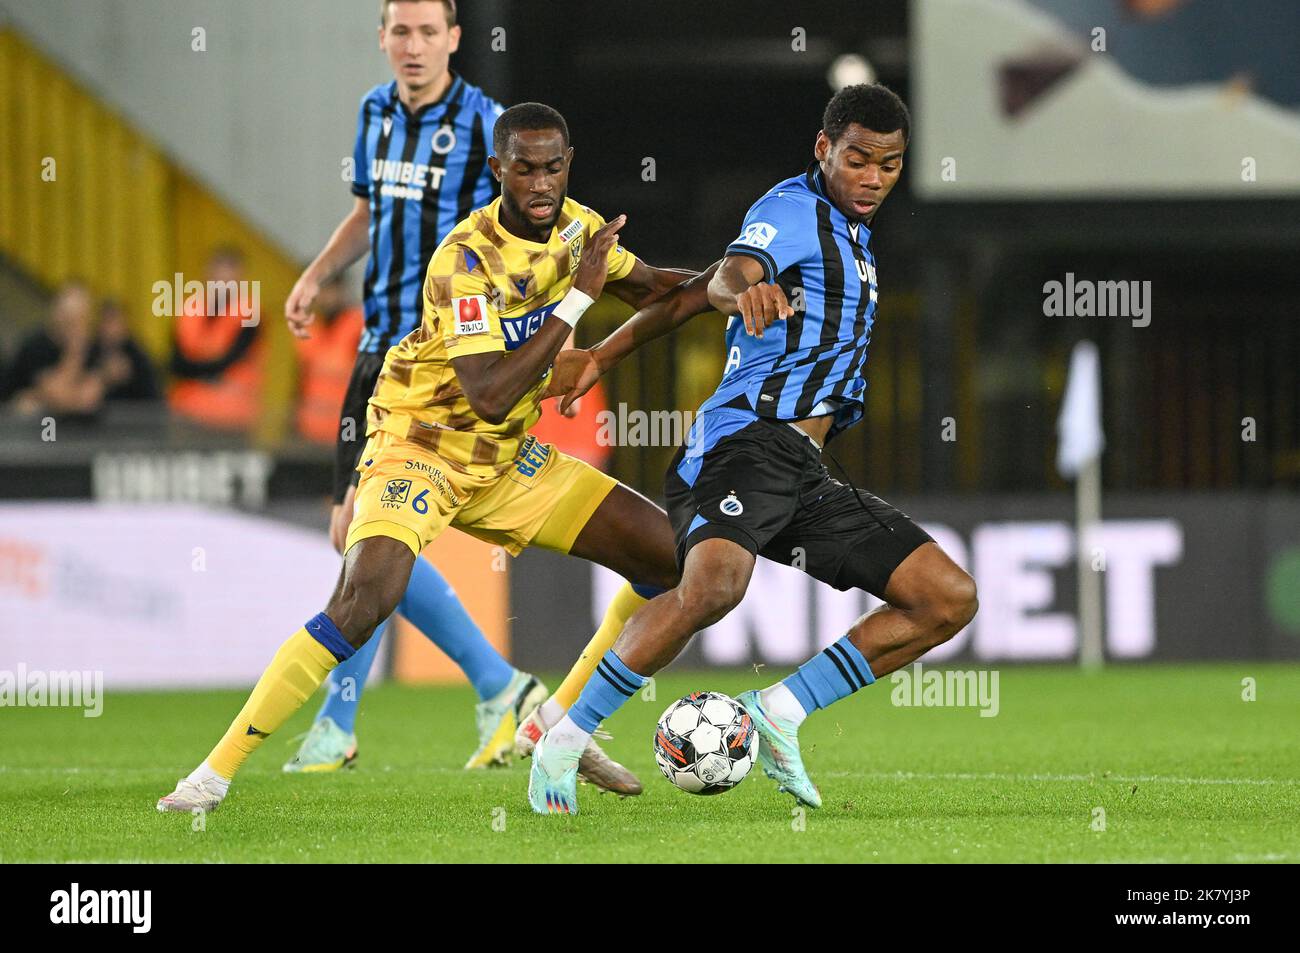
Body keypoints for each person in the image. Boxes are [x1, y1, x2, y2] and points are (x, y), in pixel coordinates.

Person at [156, 101, 705, 814]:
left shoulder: (579, 227)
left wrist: (738, 278)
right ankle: (211, 777)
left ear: (569, 163)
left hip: (506, 459)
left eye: (555, 167)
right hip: (420, 445)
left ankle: (551, 722)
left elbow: (659, 287)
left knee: (672, 561)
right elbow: (486, 389)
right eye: (526, 168)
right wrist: (575, 303)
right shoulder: (463, 258)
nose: (542, 183)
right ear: (497, 169)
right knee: (364, 599)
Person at [529, 84, 979, 815]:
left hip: (804, 470)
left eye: (890, 165)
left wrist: (605, 356)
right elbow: (729, 278)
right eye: (858, 159)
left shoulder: (854, 240)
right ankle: (562, 735)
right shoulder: (791, 210)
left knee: (946, 597)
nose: (873, 178)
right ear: (823, 148)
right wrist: (746, 293)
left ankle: (782, 708)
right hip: (743, 442)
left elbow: (687, 290)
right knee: (712, 587)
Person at [272, 0, 634, 787]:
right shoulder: (375, 112)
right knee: (358, 538)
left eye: (428, 32)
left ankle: (356, 720)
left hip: (451, 357)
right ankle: (496, 689)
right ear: (382, 39)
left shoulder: (487, 125)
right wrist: (316, 274)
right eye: (399, 32)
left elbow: (535, 231)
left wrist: (564, 330)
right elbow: (371, 211)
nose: (412, 46)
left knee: (360, 537)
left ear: (454, 40)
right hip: (381, 351)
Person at [169, 246, 263, 432]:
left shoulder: (250, 314)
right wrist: (207, 372)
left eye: (229, 270)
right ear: (207, 272)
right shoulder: (190, 309)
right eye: (218, 269)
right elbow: (174, 363)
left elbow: (228, 361)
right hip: (187, 413)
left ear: (240, 276)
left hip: (231, 419)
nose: (222, 278)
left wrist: (194, 370)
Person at [1, 281, 106, 418]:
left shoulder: (93, 346)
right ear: (56, 314)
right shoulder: (35, 346)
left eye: (82, 318)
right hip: (22, 432)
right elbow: (57, 396)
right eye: (70, 319)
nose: (77, 327)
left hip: (75, 433)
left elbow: (89, 399)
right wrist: (74, 353)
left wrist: (38, 398)